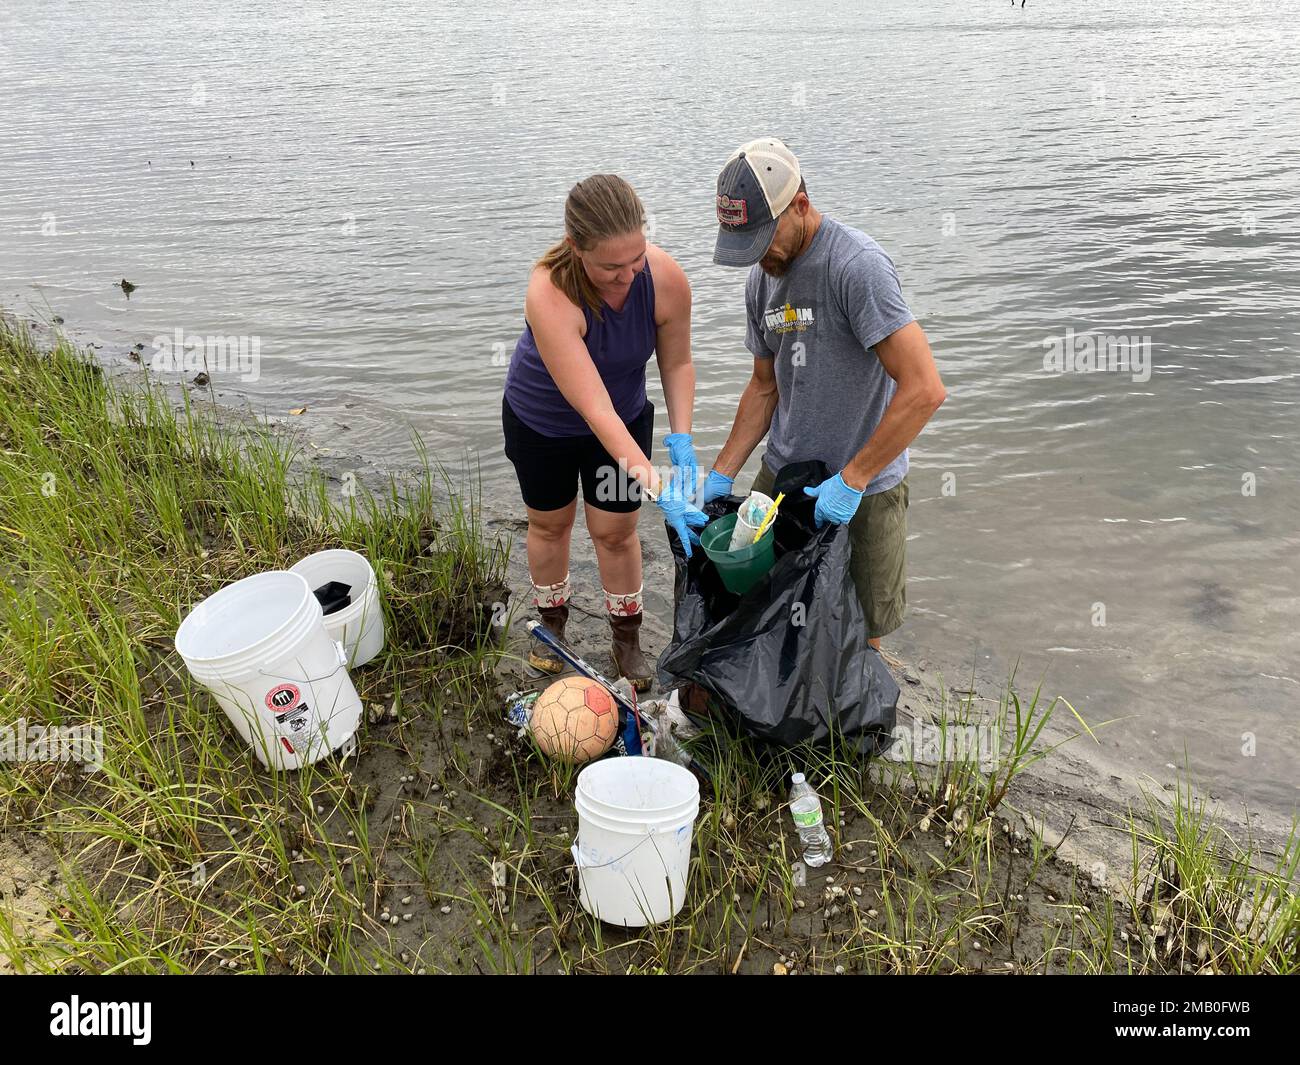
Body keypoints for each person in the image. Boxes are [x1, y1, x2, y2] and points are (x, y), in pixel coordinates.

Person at [704, 138, 946, 650]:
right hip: (783, 473)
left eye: (764, 238)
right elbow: (764, 387)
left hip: (865, 484)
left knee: (862, 629)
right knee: (760, 604)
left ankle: (853, 725)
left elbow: (924, 389)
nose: (759, 255)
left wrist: (853, 480)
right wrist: (722, 473)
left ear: (801, 205)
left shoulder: (857, 267)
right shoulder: (760, 281)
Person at [502, 174, 706, 690]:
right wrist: (660, 489)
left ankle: (626, 638)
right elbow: (595, 409)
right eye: (611, 267)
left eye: (635, 260)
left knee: (616, 532)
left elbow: (677, 363)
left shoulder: (664, 279)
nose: (626, 276)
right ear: (575, 248)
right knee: (550, 525)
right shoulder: (549, 292)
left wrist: (680, 442)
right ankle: (551, 625)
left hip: (624, 417)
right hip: (541, 423)